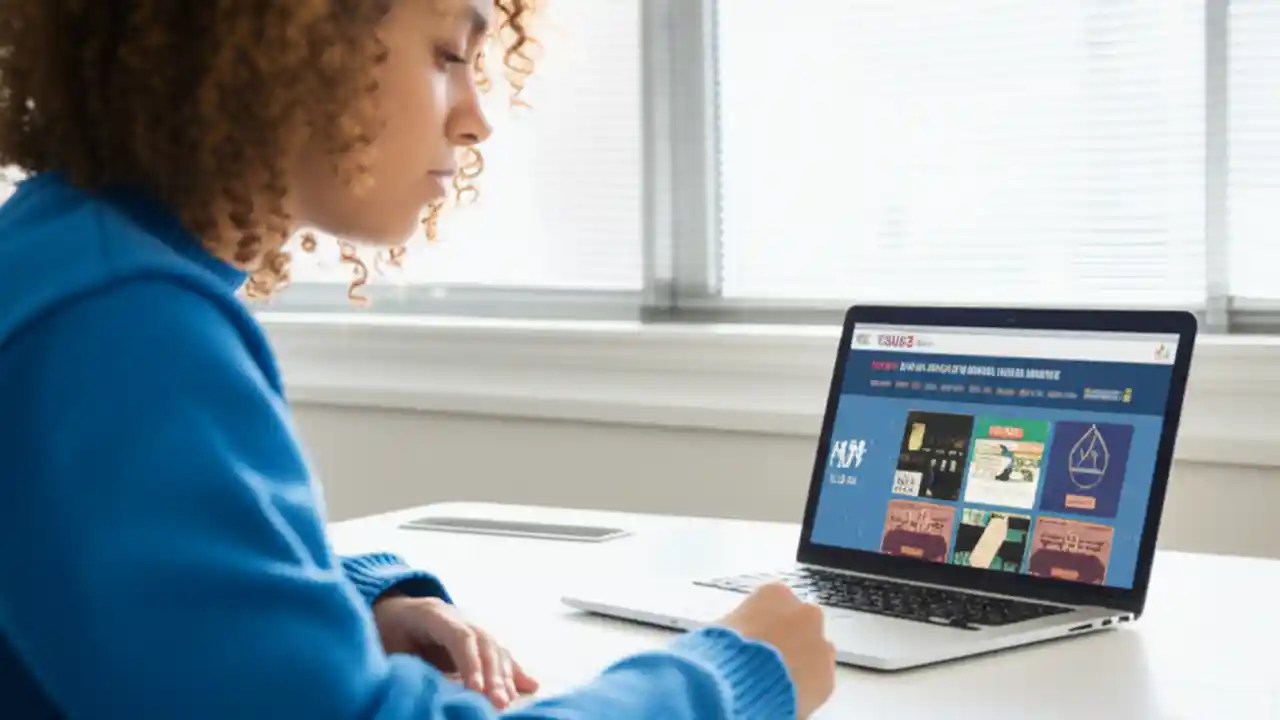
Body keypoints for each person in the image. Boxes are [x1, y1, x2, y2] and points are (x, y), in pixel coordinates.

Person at [0, 1, 837, 718]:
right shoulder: (121, 329)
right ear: (288, 36)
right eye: (446, 55)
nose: (475, 118)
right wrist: (727, 678)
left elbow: (128, 597)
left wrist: (354, 601)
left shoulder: (67, 261)